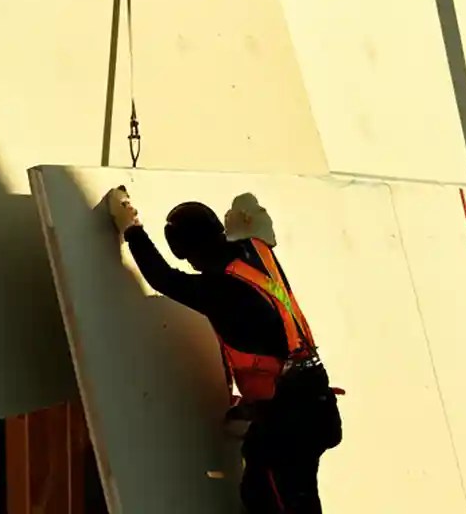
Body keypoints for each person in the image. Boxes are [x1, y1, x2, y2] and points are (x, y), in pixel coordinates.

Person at [106, 187, 342, 514]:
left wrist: (132, 229)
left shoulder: (218, 289)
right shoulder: (256, 252)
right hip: (313, 402)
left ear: (182, 250)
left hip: (291, 417)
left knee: (274, 498)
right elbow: (254, 217)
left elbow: (162, 278)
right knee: (274, 490)